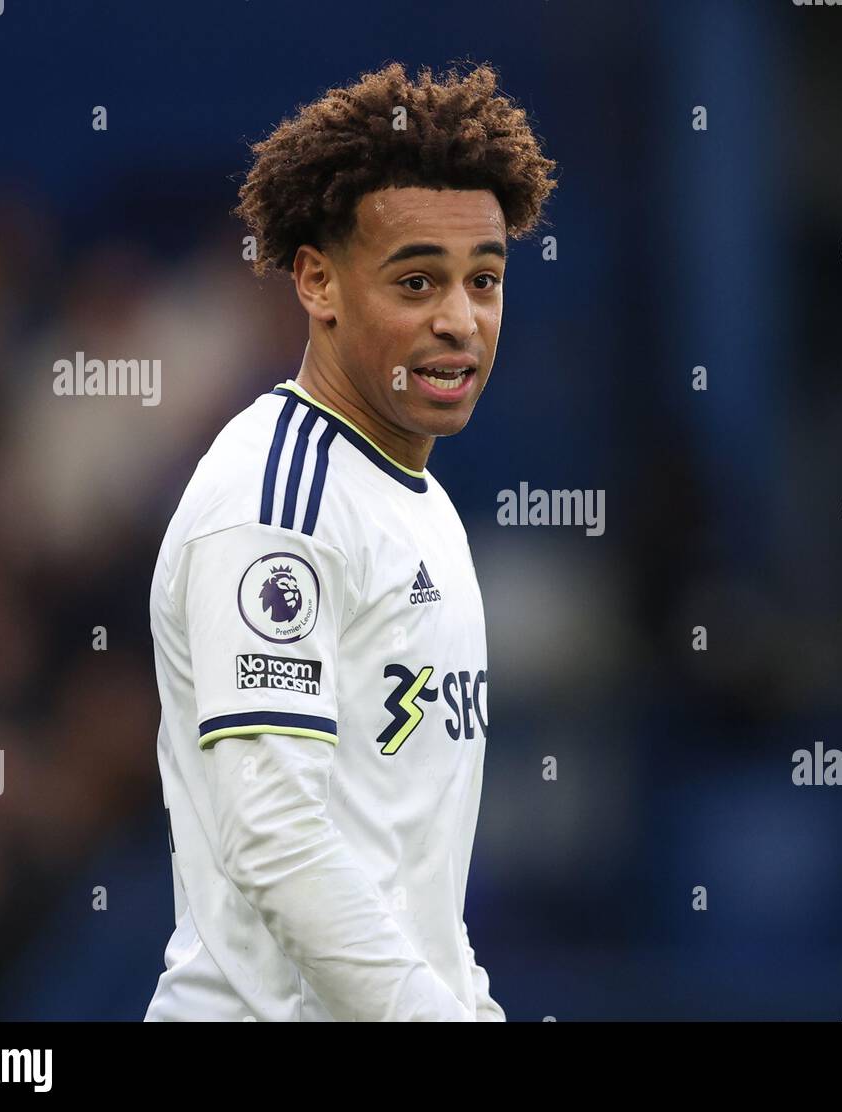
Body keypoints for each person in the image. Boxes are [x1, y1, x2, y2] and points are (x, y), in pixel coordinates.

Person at [143, 61, 556, 1021]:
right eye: (417, 281)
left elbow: (413, 894)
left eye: (483, 281)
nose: (460, 321)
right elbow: (277, 841)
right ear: (318, 281)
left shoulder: (417, 500)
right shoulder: (278, 503)